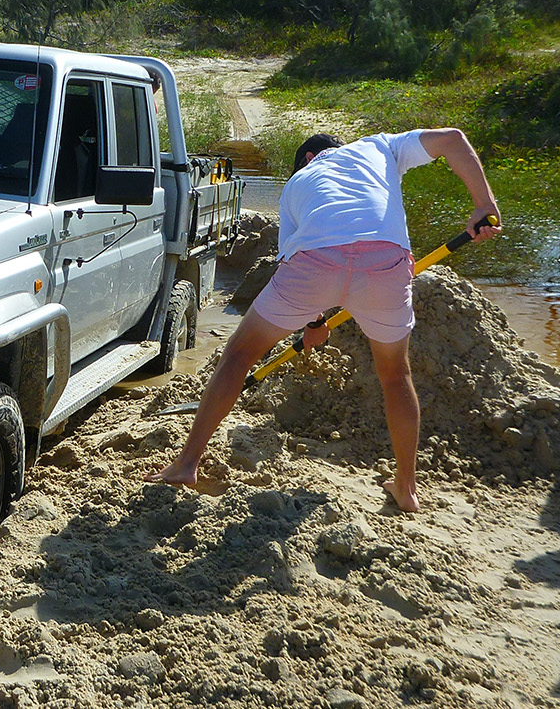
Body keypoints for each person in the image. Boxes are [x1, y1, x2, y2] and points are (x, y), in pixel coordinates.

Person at [150, 130, 501, 513]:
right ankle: (406, 488)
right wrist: (484, 204)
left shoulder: (296, 184)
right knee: (396, 376)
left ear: (308, 157)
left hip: (315, 264)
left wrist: (313, 322)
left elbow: (292, 258)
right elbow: (452, 139)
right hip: (386, 265)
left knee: (238, 355)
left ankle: (187, 464)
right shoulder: (380, 146)